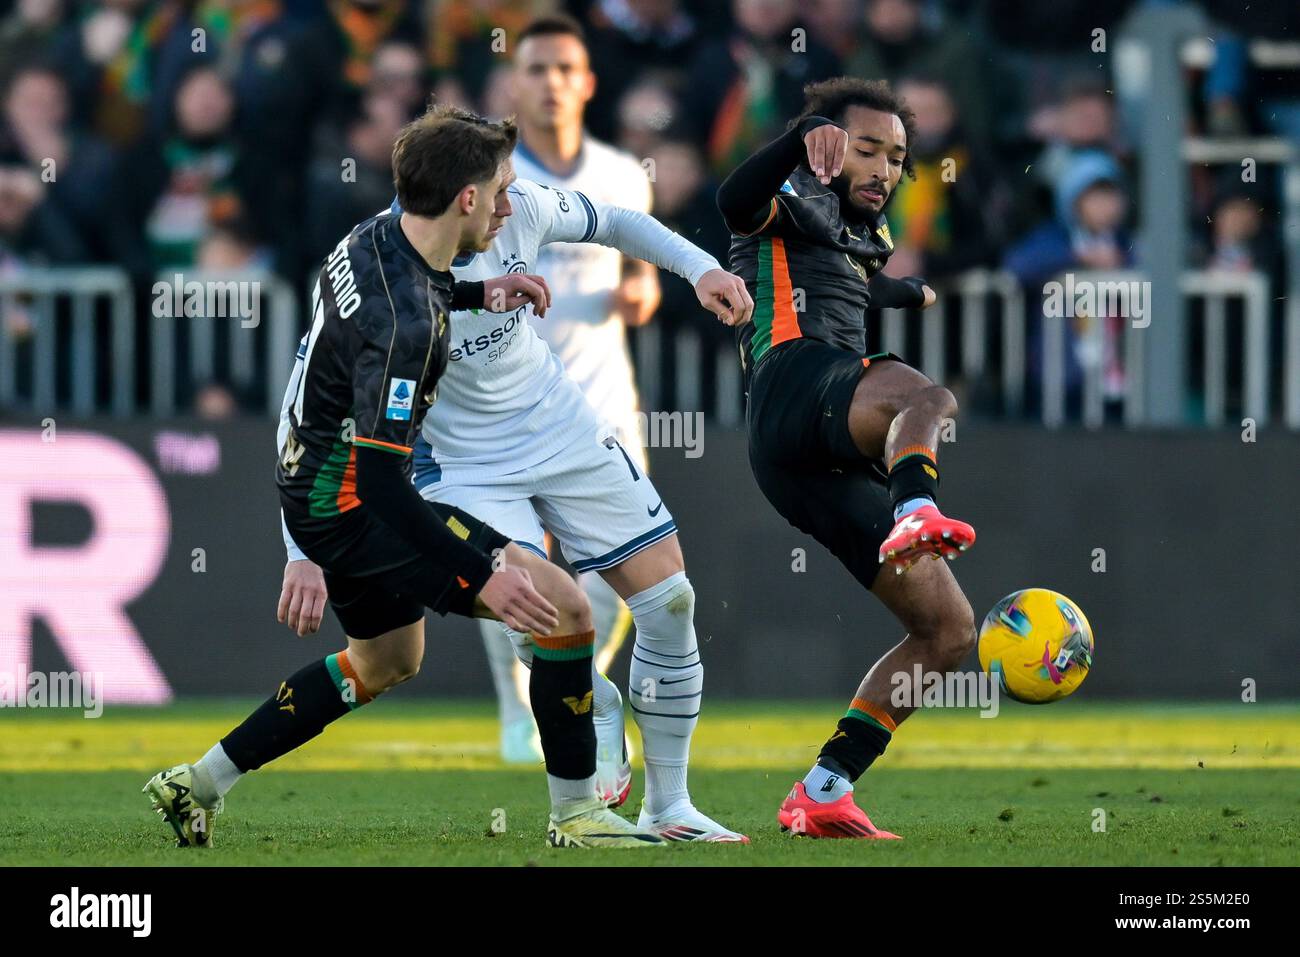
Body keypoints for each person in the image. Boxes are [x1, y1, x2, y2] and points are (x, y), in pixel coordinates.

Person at [145, 105, 664, 850]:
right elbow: (388, 486)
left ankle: (197, 782)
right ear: (465, 199)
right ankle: (579, 813)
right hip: (352, 501)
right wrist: (480, 570)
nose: (507, 206)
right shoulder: (406, 333)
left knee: (386, 661)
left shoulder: (371, 238)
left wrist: (477, 292)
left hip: (315, 486)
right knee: (565, 607)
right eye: (500, 191)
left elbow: (376, 320)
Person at [717, 77, 978, 839]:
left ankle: (824, 789)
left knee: (948, 629)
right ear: (828, 147)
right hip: (793, 384)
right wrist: (796, 141)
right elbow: (735, 199)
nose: (884, 168)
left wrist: (912, 291)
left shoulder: (869, 235)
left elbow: (860, 283)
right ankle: (915, 508)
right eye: (866, 148)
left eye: (896, 156)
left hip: (803, 461)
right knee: (927, 400)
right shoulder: (788, 195)